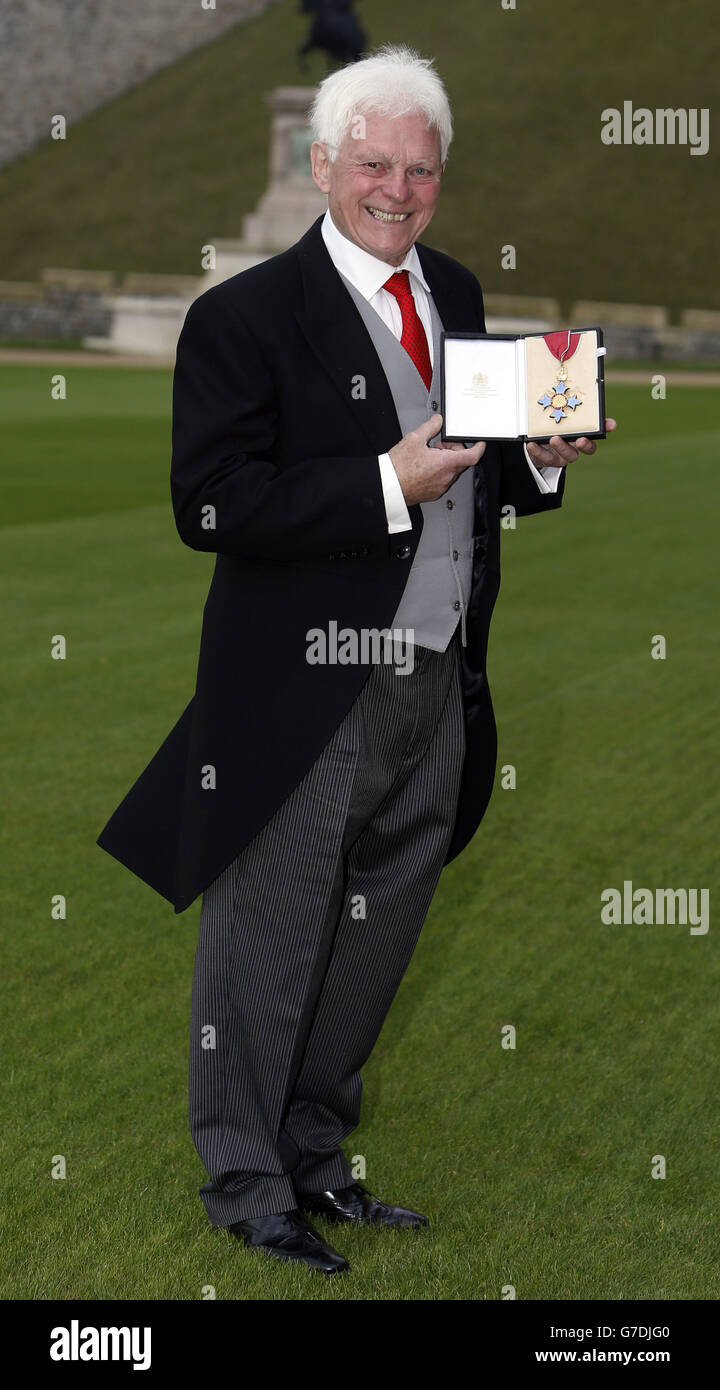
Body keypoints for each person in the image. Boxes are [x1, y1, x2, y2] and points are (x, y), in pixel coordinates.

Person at [97, 43, 616, 1276]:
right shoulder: (243, 316)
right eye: (373, 162)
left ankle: (318, 1157)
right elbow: (211, 503)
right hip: (304, 687)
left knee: (375, 941)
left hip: (436, 680)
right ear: (323, 163)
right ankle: (244, 1177)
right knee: (266, 947)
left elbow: (484, 477)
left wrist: (541, 457)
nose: (398, 187)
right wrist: (386, 481)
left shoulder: (460, 292)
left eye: (421, 168)